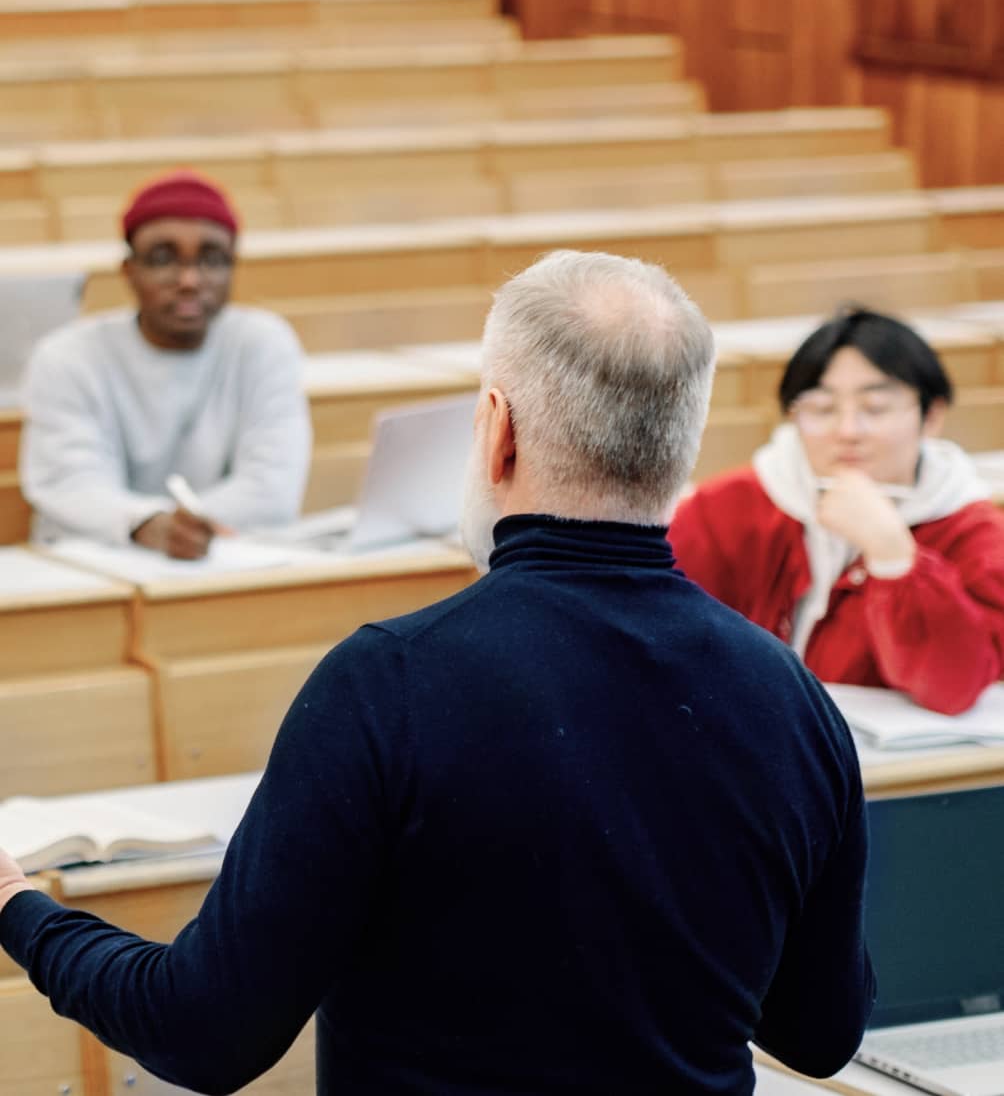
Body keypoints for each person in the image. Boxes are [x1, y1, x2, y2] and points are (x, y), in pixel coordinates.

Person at [0, 251, 874, 1094]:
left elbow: (202, 1032)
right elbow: (820, 1034)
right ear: (680, 444)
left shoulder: (387, 685)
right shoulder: (791, 701)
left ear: (497, 428)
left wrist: (24, 912)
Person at [672, 307, 1004, 716]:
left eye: (876, 408)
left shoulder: (975, 533)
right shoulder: (728, 506)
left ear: (930, 415)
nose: (848, 431)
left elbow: (954, 687)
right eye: (822, 409)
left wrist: (895, 558)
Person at [19, 171, 312, 559]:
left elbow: (272, 487)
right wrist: (147, 524)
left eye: (211, 259)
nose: (190, 279)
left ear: (233, 267)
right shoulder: (67, 356)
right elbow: (70, 484)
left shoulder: (262, 342)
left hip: (227, 561)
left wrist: (183, 530)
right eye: (162, 258)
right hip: (98, 564)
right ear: (129, 270)